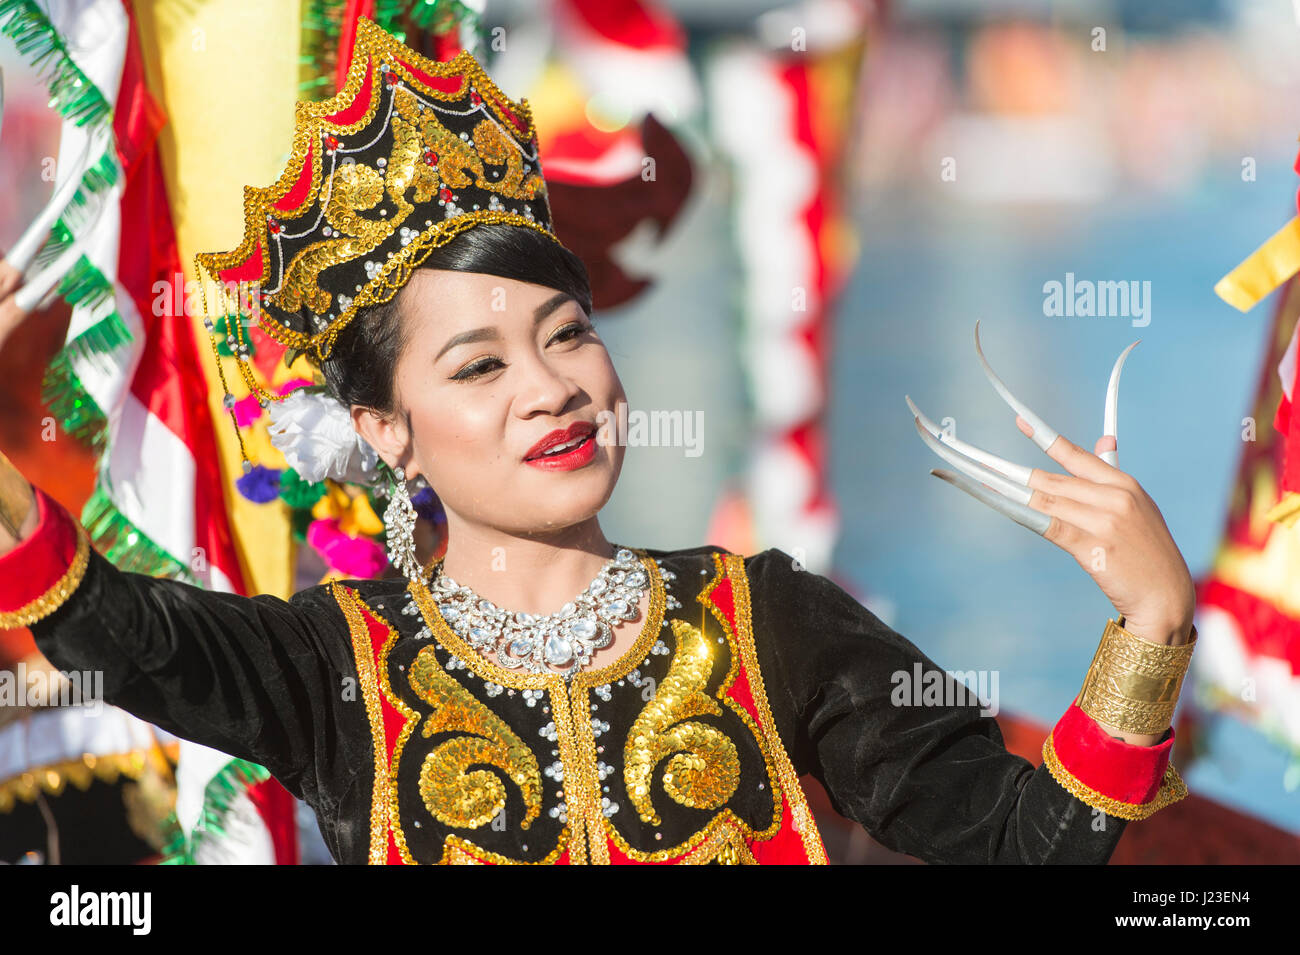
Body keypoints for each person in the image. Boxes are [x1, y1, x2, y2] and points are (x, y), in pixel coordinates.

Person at [0, 17, 1196, 865]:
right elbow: (119, 628)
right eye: (478, 365)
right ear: (385, 432)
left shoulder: (771, 623)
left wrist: (1150, 623)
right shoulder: (337, 671)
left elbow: (1024, 842)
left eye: (567, 336)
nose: (549, 389)